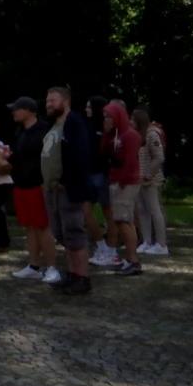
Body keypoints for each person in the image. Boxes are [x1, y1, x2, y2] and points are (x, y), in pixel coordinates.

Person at [42, 87, 96, 294]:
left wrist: (68, 180)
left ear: (65, 101)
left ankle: (82, 277)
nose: (49, 104)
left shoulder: (74, 123)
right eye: (47, 101)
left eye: (52, 101)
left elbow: (81, 155)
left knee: (74, 233)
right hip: (52, 188)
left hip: (68, 189)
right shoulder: (52, 125)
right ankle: (72, 274)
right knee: (62, 234)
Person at [5, 97, 58, 283]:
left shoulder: (44, 130)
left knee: (43, 227)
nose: (14, 112)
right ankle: (34, 265)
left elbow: (49, 158)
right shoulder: (20, 131)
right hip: (21, 183)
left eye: (17, 109)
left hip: (38, 184)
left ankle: (52, 267)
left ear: (29, 110)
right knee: (30, 226)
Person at [100, 101, 143, 276]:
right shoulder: (115, 135)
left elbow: (131, 161)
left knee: (123, 221)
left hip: (125, 183)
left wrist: (122, 181)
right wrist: (106, 133)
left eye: (109, 116)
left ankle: (133, 260)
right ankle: (130, 259)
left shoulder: (130, 136)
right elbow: (103, 151)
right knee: (123, 220)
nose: (106, 119)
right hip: (117, 180)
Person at [85, 96, 119, 264]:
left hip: (102, 174)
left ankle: (111, 251)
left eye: (89, 107)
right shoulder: (89, 126)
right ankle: (102, 246)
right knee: (86, 212)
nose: (86, 110)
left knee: (109, 213)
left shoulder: (106, 128)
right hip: (89, 173)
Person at [133, 107, 168, 256]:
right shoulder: (139, 135)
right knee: (142, 210)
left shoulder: (152, 134)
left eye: (132, 119)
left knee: (155, 211)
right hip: (140, 179)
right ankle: (147, 241)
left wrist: (148, 173)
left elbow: (159, 157)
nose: (130, 121)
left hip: (151, 180)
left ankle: (161, 244)